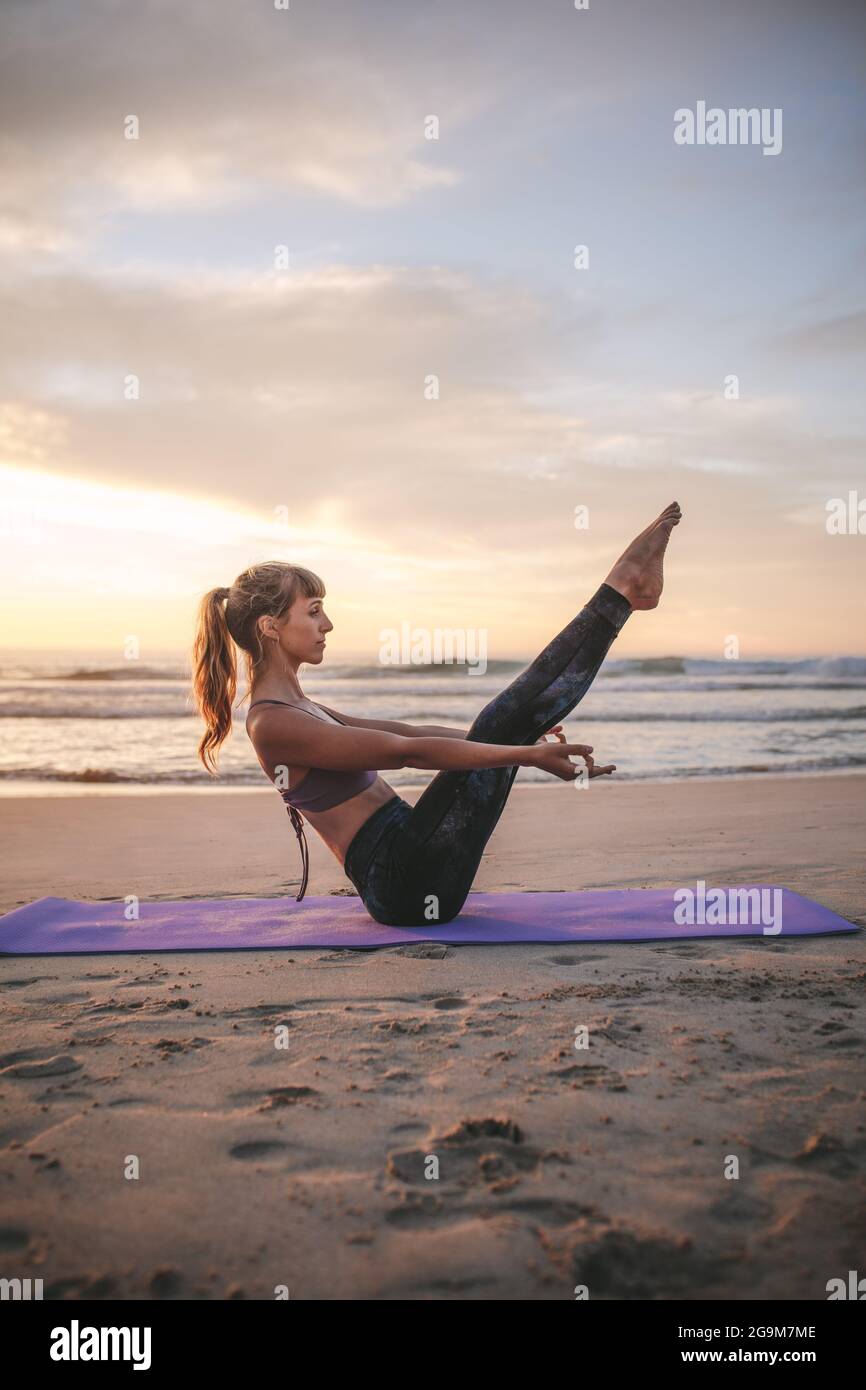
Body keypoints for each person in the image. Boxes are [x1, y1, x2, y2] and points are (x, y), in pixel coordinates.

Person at [191, 503, 682, 925]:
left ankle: (623, 592)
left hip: (414, 857)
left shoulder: (301, 706)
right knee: (497, 726)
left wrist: (516, 747)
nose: (328, 624)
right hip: (403, 882)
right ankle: (621, 592)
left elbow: (408, 731)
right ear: (271, 627)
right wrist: (522, 754)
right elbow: (405, 753)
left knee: (495, 727)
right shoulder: (273, 723)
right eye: (314, 611)